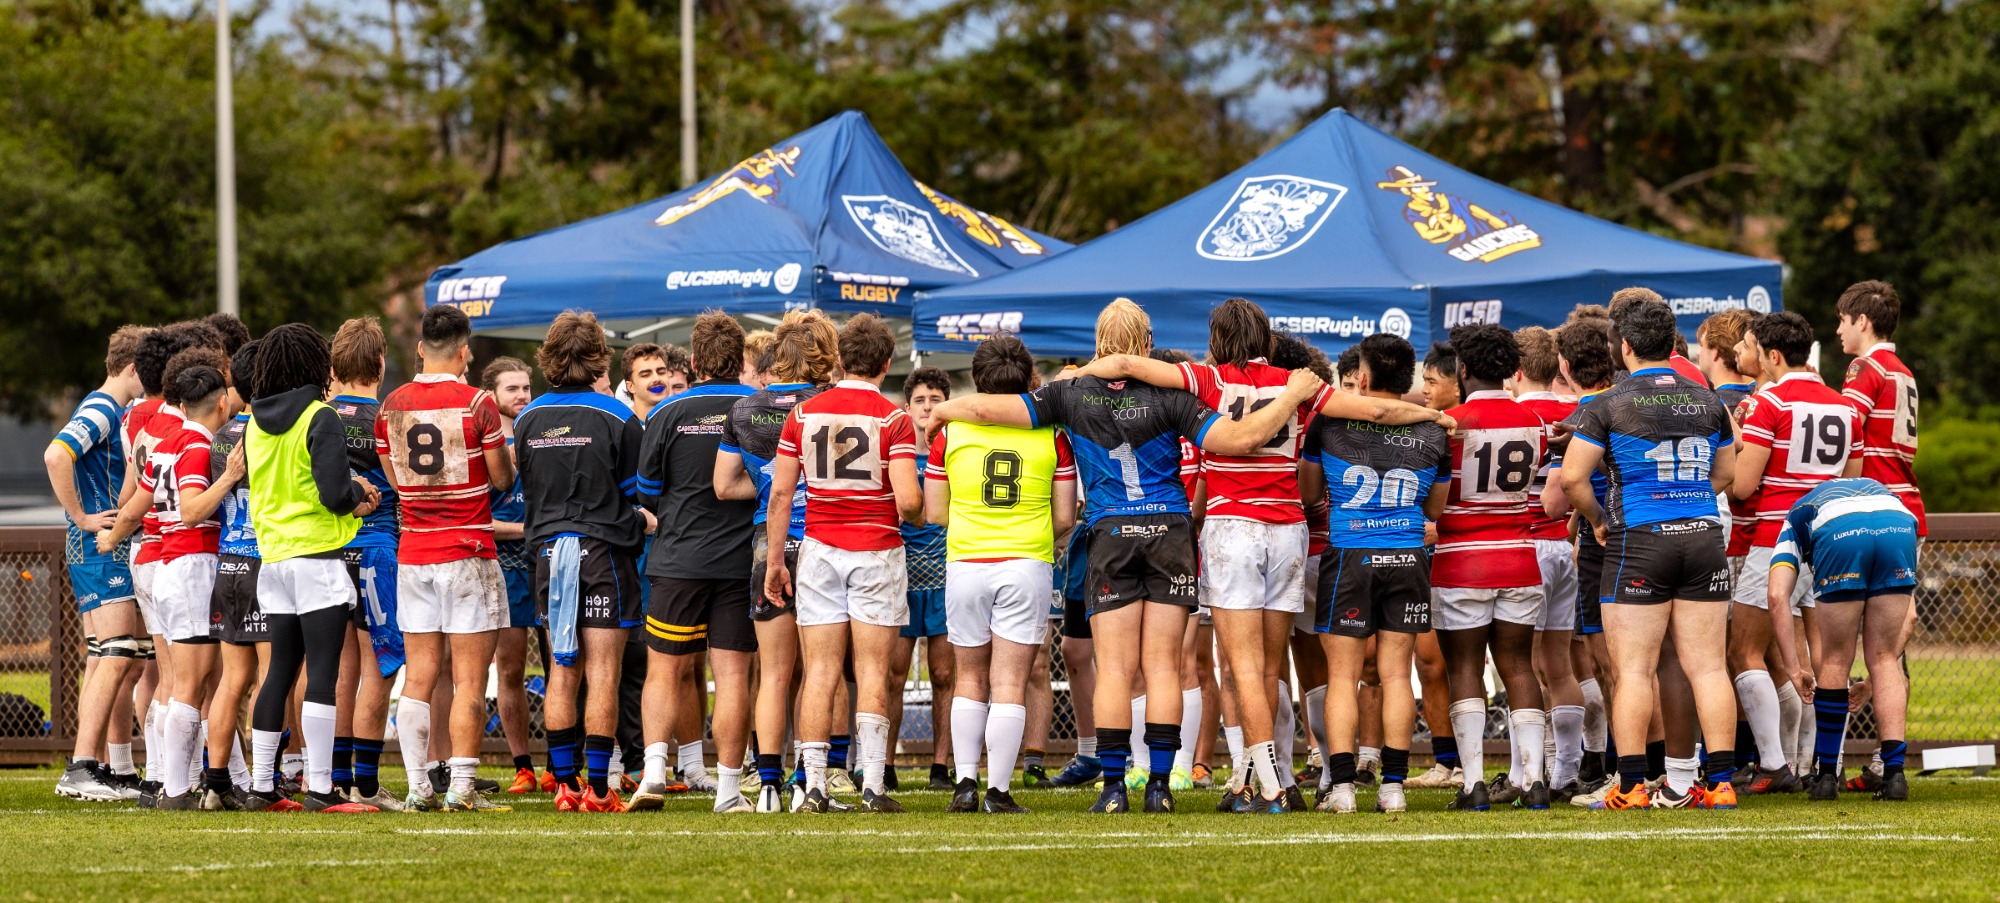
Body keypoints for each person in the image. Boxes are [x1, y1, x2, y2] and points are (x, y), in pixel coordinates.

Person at [1071, 298, 1455, 814]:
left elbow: (1124, 364)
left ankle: (1270, 785)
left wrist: (1077, 375)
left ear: (1216, 339)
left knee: (1244, 669)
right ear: (1267, 339)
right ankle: (1256, 779)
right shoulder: (1296, 383)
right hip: (1289, 529)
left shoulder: (1204, 377)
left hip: (1234, 528)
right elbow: (1378, 411)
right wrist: (1431, 414)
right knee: (1271, 669)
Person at [1559, 295, 1740, 811]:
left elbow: (1572, 478)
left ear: (1625, 346)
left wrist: (1598, 520)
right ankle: (1720, 784)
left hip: (1639, 540)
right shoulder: (1709, 399)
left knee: (1634, 670)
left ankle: (1632, 786)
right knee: (1708, 667)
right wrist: (1688, 497)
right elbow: (1727, 473)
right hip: (1702, 535)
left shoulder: (1607, 403)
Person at [763, 314, 921, 813]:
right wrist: (919, 509)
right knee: (872, 670)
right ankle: (872, 784)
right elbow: (910, 501)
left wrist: (774, 561)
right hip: (876, 548)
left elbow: (780, 495)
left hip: (819, 549)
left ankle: (812, 787)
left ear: (838, 359)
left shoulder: (803, 414)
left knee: (820, 671)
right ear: (886, 363)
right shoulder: (894, 419)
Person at [1299, 332, 1452, 814]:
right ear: (1408, 380)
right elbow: (1435, 510)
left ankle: (1343, 788)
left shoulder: (1328, 421)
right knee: (1396, 674)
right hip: (1407, 555)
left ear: (1362, 378)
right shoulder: (1434, 430)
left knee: (1343, 677)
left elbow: (1308, 494)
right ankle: (1394, 787)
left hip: (1350, 554)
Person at [377, 305, 515, 812]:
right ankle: (461, 787)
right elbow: (502, 479)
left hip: (414, 551)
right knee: (469, 680)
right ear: (464, 352)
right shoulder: (478, 403)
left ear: (419, 349)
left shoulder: (390, 406)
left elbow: (395, 481)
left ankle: (418, 786)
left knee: (418, 675)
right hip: (467, 551)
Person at [238, 323, 381, 813]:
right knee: (322, 672)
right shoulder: (320, 416)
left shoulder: (253, 423)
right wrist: (361, 496)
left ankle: (262, 786)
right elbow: (335, 495)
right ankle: (320, 788)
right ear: (316, 365)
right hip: (317, 558)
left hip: (273, 559)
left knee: (278, 671)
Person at [931, 335, 1077, 815]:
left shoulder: (950, 433)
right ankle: (998, 791)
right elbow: (1064, 517)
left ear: (977, 378)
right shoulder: (1052, 435)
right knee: (1011, 681)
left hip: (967, 562)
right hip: (1026, 562)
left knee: (969, 677)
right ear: (1027, 378)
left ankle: (965, 785)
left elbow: (934, 512)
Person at [517, 310, 649, 813]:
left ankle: (565, 785)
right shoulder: (618, 417)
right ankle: (597, 788)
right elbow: (637, 492)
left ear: (548, 357)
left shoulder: (528, 418)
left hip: (550, 554)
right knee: (603, 671)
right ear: (599, 357)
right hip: (603, 553)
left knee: (562, 669)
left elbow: (528, 487)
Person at [101, 348, 242, 808]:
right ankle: (176, 789)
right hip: (190, 566)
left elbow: (137, 503)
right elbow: (192, 509)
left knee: (184, 681)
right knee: (191, 684)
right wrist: (229, 478)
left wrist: (112, 536)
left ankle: (184, 780)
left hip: (165, 567)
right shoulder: (198, 446)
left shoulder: (165, 442)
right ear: (221, 402)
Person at [1728, 311, 1861, 794]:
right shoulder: (1846, 407)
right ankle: (1825, 763)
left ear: (1773, 356)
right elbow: (1851, 482)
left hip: (1778, 538)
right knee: (1828, 658)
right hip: (1831, 539)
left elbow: (1742, 487)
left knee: (1743, 649)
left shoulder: (1770, 402)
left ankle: (1773, 764)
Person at [633, 311, 759, 813]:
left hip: (678, 558)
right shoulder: (758, 407)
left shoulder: (667, 410)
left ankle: (653, 775)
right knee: (732, 676)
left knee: (663, 671)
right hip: (739, 561)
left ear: (694, 359)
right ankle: (728, 790)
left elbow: (646, 490)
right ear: (740, 357)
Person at [713, 309, 839, 813]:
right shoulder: (831, 404)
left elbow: (724, 486)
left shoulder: (744, 409)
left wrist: (770, 486)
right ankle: (811, 780)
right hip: (826, 539)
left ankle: (766, 786)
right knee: (820, 671)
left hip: (769, 542)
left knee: (773, 672)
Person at [1426, 324, 1551, 811]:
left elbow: (1435, 501)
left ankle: (1473, 783)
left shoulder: (1450, 423)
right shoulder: (1534, 422)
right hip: (1519, 557)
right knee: (1519, 666)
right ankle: (1535, 781)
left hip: (1462, 561)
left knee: (1464, 667)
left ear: (1463, 369)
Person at [1766, 478, 1917, 802]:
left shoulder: (1796, 516)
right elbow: (1912, 616)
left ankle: (1826, 778)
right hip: (1898, 523)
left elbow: (1777, 596)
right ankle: (1894, 776)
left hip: (1839, 531)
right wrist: (1875, 682)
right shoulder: (1883, 496)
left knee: (1835, 658)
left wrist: (1793, 669)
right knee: (1883, 659)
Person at [46, 325, 147, 802]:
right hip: (98, 546)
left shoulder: (107, 407)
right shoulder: (103, 408)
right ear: (132, 369)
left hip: (98, 546)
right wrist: (81, 516)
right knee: (118, 651)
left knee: (109, 654)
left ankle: (106, 767)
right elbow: (56, 455)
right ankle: (82, 766)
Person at [1833, 280, 1924, 792]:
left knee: (1841, 640)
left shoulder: (1865, 368)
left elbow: (1846, 432)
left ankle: (1820, 765)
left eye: (1843, 320)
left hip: (1872, 507)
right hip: (1908, 510)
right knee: (1890, 648)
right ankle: (1885, 763)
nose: (1839, 330)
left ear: (1862, 321)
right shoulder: (1904, 370)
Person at [325, 318, 408, 811]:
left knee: (341, 669)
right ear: (380, 362)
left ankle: (338, 779)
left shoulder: (318, 416)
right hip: (376, 547)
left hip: (327, 550)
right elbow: (403, 485)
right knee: (380, 667)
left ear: (334, 365)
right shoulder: (386, 416)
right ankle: (368, 783)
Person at [1544, 317, 1620, 801]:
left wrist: (1589, 518)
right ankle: (1667, 767)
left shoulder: (1586, 414)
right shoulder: (1628, 399)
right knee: (1650, 664)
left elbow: (1558, 497)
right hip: (1655, 532)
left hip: (1605, 540)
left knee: (1613, 666)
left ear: (1566, 367)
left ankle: (1627, 770)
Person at [1513, 325, 1586, 801]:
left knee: (1520, 664)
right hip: (1563, 545)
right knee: (1559, 665)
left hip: (1525, 545)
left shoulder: (1513, 413)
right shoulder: (1576, 410)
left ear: (1516, 370)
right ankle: (1566, 770)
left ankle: (1527, 772)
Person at [199, 339, 270, 809]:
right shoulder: (273, 432)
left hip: (228, 563)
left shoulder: (221, 434)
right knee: (270, 674)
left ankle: (216, 782)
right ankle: (267, 777)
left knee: (232, 680)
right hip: (263, 562)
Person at [482, 356, 544, 794]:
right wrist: (526, 529)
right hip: (506, 567)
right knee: (510, 670)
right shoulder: (485, 448)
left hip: (549, 561)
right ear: (492, 396)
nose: (522, 395)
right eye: (512, 389)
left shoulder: (542, 434)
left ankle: (562, 764)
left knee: (564, 666)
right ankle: (523, 766)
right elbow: (478, 521)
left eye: (526, 388)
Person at [896, 366, 957, 792]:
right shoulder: (896, 452)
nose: (927, 407)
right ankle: (882, 766)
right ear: (908, 407)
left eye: (935, 399)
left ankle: (940, 767)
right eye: (920, 400)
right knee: (892, 675)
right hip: (899, 576)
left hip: (945, 574)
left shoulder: (955, 449)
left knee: (944, 675)